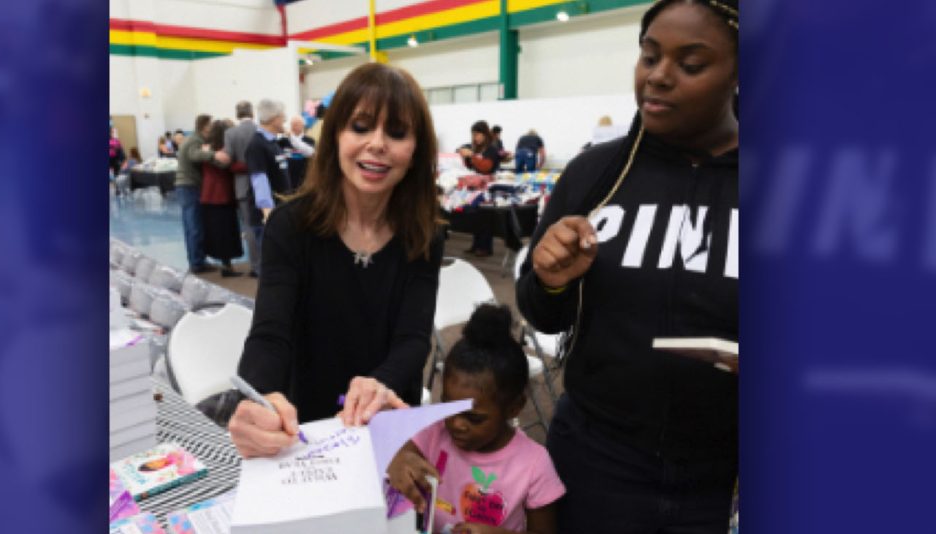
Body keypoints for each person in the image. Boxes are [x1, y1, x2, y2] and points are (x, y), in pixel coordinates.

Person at [515, 0, 738, 531]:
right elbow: (542, 316)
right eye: (649, 56)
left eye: (690, 64)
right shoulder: (597, 176)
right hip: (596, 461)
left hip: (723, 475)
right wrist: (548, 281)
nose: (658, 77)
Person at [228, 62, 444, 458]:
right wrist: (258, 396)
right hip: (303, 427)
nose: (377, 144)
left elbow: (413, 338)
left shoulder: (425, 233)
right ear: (336, 137)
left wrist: (381, 381)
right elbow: (270, 333)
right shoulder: (291, 226)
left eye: (396, 133)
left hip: (386, 418)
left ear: (416, 151)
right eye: (361, 127)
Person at [387, 304, 565, 534]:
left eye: (474, 418)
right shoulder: (433, 432)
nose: (457, 424)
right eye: (449, 408)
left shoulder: (535, 465)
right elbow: (398, 452)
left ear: (514, 408)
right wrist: (398, 459)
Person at [242, 98, 292, 277]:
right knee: (270, 265)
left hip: (280, 211)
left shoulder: (272, 142)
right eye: (282, 116)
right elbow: (259, 181)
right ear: (274, 119)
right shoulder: (257, 145)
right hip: (267, 217)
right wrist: (268, 214)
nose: (285, 118)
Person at [221, 100, 261, 278]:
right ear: (252, 113)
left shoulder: (231, 133)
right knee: (268, 225)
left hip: (242, 185)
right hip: (262, 183)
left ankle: (255, 266)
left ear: (237, 114)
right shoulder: (260, 130)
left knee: (250, 226)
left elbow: (227, 159)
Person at [200, 120, 243, 277]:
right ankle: (227, 266)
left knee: (215, 231)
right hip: (223, 195)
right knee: (227, 232)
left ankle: (222, 263)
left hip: (207, 194)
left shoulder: (205, 149)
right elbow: (228, 166)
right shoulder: (222, 151)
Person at [174, 115, 216, 274]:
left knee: (190, 226)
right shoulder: (195, 141)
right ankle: (197, 263)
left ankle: (196, 260)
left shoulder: (192, 139)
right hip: (190, 187)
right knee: (194, 226)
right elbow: (195, 156)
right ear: (205, 126)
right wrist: (212, 154)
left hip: (185, 186)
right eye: (210, 125)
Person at [456, 121, 501, 257]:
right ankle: (476, 245)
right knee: (477, 217)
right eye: (473, 134)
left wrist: (471, 156)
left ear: (485, 134)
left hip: (488, 187)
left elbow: (486, 167)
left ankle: (485, 248)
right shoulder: (477, 150)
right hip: (476, 186)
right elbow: (471, 167)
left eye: (478, 134)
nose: (475, 137)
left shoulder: (491, 149)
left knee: (486, 217)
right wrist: (463, 157)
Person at [277, 116, 316, 191]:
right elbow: (279, 157)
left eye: (296, 124)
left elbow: (309, 154)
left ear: (302, 126)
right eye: (292, 124)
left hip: (303, 177)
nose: (293, 127)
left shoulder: (309, 141)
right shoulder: (283, 141)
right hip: (287, 177)